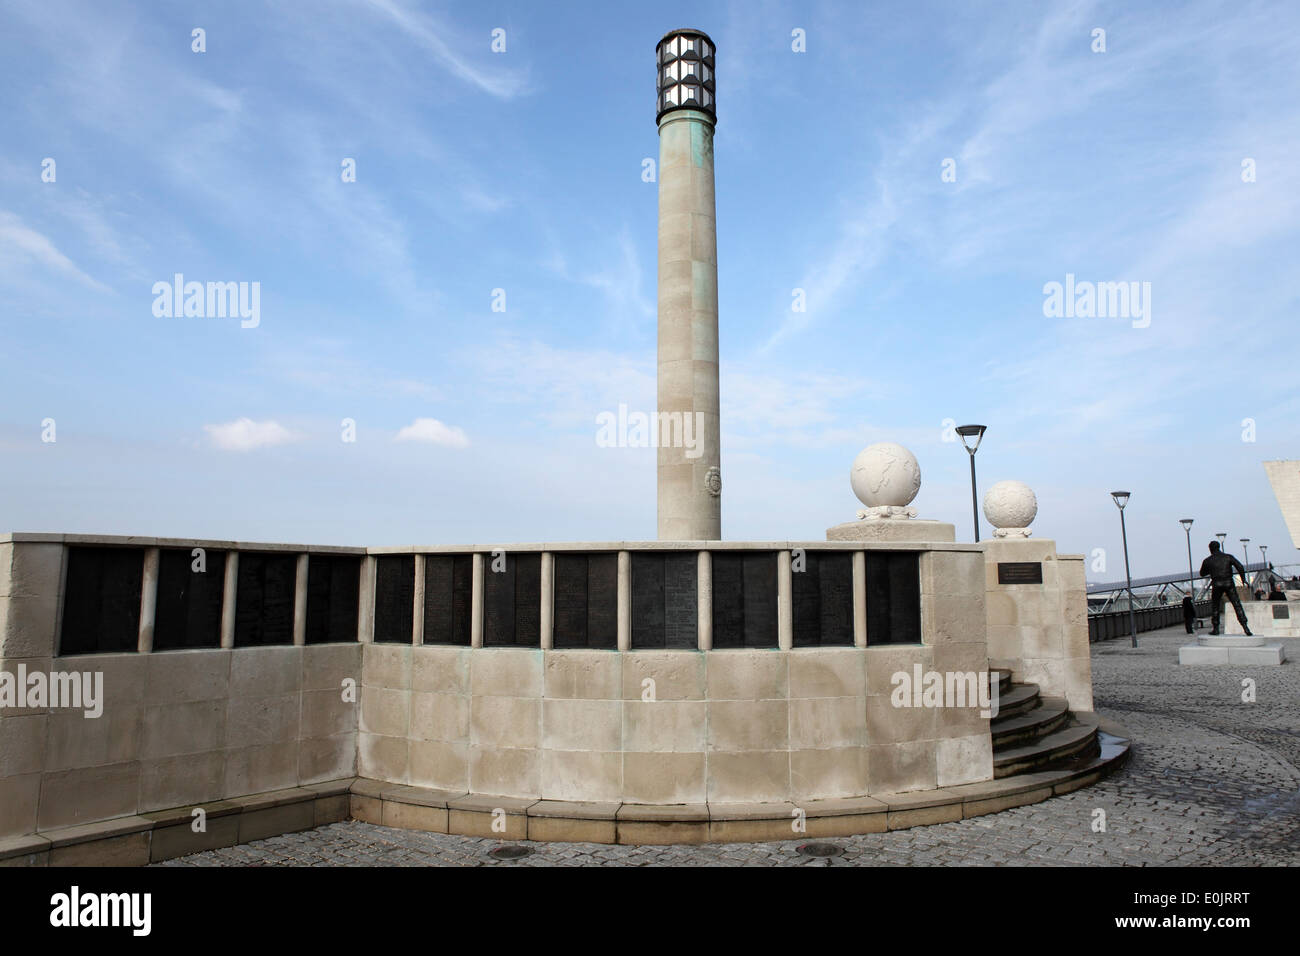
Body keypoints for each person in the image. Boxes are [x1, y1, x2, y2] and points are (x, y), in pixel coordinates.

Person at [1199, 541, 1252, 636]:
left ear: (1210, 549)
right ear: (1219, 547)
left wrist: (1212, 569)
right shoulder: (1228, 557)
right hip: (1229, 583)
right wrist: (1243, 579)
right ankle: (1245, 628)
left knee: (1215, 606)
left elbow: (1202, 573)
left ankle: (1216, 629)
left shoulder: (1208, 560)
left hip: (1217, 584)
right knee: (1237, 605)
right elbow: (1240, 566)